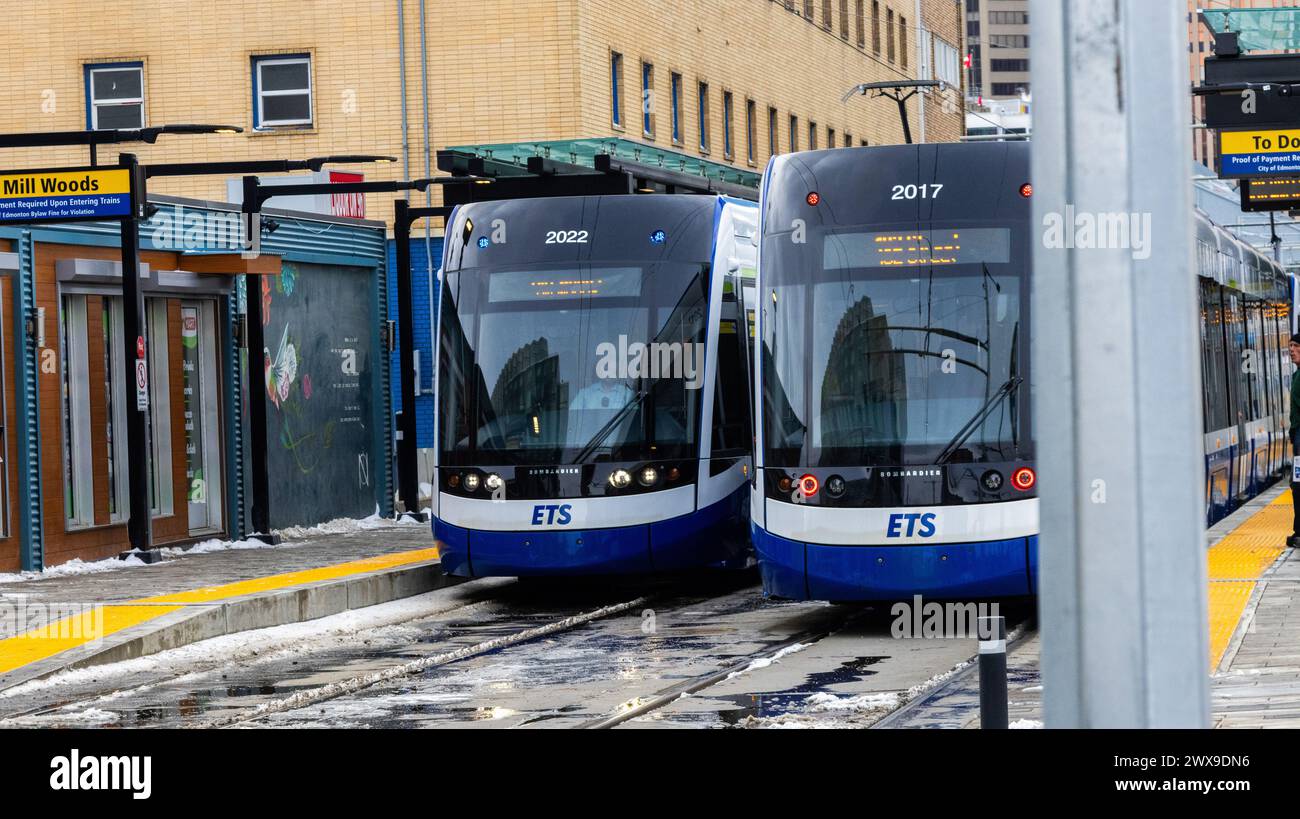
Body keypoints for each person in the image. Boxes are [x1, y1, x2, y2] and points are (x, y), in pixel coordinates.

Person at [1290, 334, 1300, 548]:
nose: (1291, 350)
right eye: (1290, 346)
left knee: (1298, 484)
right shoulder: (1296, 374)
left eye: (1296, 346)